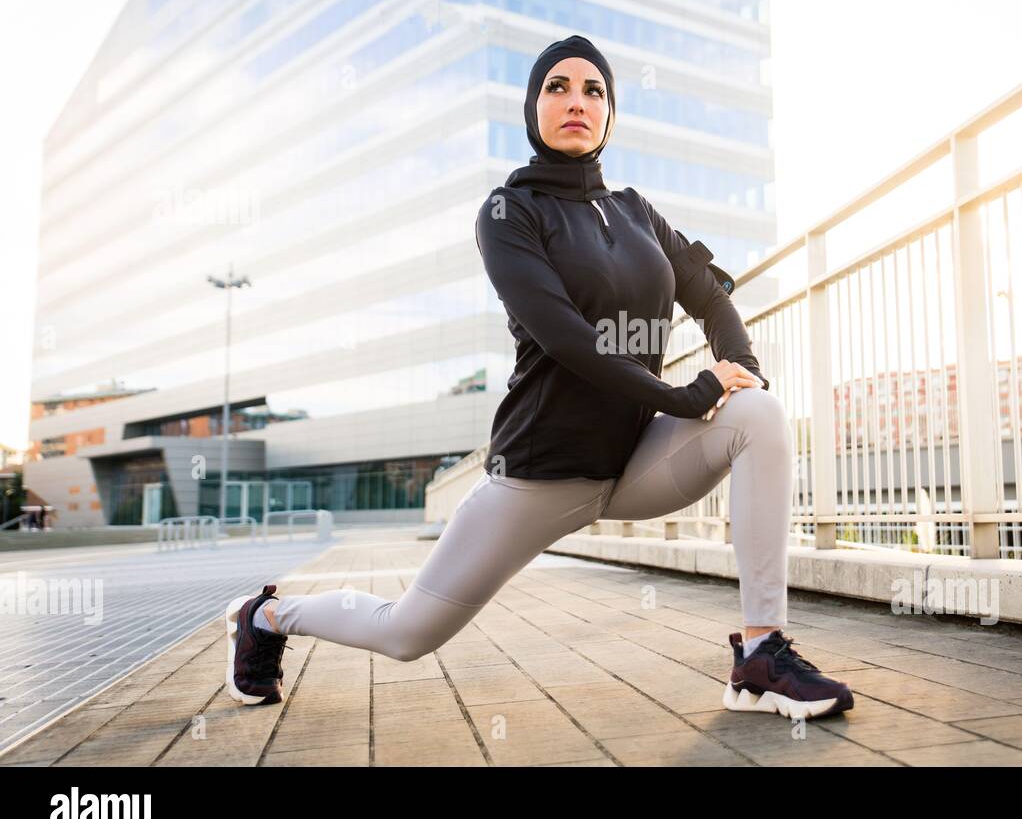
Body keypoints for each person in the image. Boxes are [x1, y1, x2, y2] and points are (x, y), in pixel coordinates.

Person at [225, 35, 853, 722]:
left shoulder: (638, 212)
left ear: (610, 113)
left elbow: (709, 296)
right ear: (532, 108)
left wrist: (743, 376)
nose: (577, 101)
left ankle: (760, 657)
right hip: (539, 474)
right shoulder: (508, 213)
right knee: (406, 632)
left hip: (633, 464)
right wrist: (686, 395)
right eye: (557, 87)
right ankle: (269, 616)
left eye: (595, 90)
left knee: (758, 415)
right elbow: (564, 338)